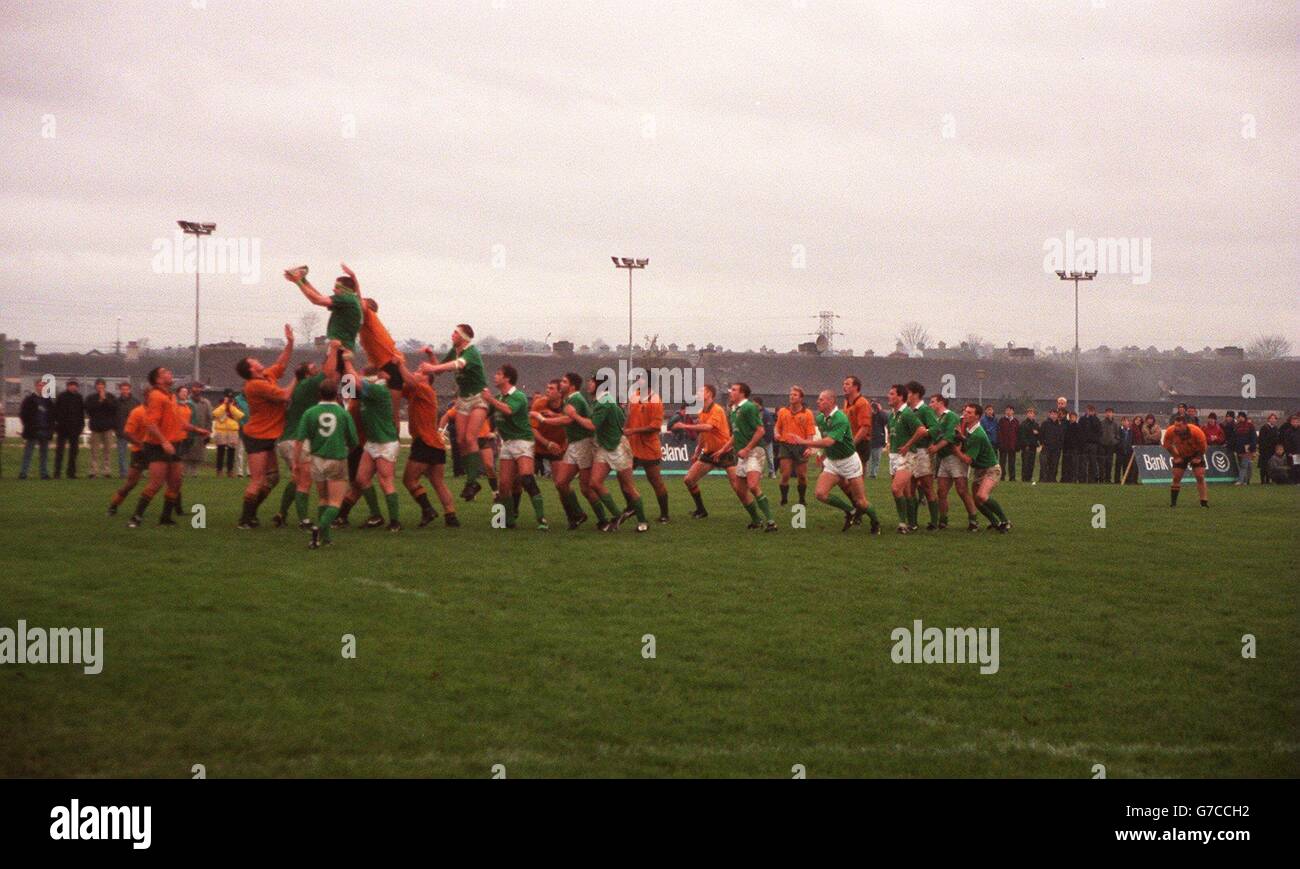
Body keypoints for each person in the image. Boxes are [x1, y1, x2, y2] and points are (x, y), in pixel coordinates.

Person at [127, 366, 210, 527]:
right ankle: (135, 518)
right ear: (158, 380)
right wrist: (164, 441)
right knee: (156, 483)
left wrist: (196, 429)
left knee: (176, 482)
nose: (170, 373)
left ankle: (165, 518)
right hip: (158, 445)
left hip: (173, 444)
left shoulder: (171, 396)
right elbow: (150, 423)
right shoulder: (156, 396)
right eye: (165, 372)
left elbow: (178, 421)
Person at [790, 388, 881, 533]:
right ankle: (850, 511)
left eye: (821, 399)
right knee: (820, 494)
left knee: (861, 501)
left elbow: (829, 441)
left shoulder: (840, 418)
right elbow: (824, 439)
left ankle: (875, 522)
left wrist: (803, 442)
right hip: (833, 462)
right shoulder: (820, 418)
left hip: (849, 461)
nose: (817, 402)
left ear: (831, 402)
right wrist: (822, 454)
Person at [234, 324, 295, 529]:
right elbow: (285, 395)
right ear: (251, 369)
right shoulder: (255, 385)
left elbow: (281, 364)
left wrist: (290, 343)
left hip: (268, 435)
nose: (259, 362)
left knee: (273, 478)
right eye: (255, 362)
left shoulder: (266, 376)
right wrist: (298, 377)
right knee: (258, 480)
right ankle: (245, 520)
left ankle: (251, 514)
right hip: (257, 436)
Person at [420, 325, 491, 500]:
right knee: (460, 440)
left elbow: (458, 364)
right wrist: (431, 356)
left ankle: (472, 481)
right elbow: (441, 369)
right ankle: (472, 480)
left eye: (456, 333)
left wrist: (431, 368)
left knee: (469, 438)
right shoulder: (456, 350)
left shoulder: (471, 352)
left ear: (464, 337)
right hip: (463, 399)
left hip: (478, 397)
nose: (452, 335)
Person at [337, 354, 402, 530]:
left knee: (385, 481)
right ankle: (375, 515)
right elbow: (349, 391)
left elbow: (354, 383)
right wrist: (345, 369)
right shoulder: (370, 388)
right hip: (370, 441)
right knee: (360, 480)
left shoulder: (378, 390)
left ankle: (394, 522)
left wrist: (346, 361)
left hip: (383, 441)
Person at [294, 379, 360, 550]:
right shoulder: (343, 413)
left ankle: (325, 538)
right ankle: (319, 529)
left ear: (319, 394)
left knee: (323, 498)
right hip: (336, 458)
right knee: (336, 502)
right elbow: (354, 441)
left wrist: (296, 462)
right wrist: (347, 452)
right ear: (336, 394)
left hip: (317, 460)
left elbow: (299, 440)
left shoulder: (310, 412)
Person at [482, 364, 549, 530]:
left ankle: (541, 520)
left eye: (498, 374)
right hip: (508, 442)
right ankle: (508, 520)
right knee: (504, 485)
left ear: (507, 378)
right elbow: (484, 413)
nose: (495, 377)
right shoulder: (498, 398)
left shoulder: (518, 396)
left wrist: (490, 399)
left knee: (526, 477)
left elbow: (509, 411)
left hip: (522, 441)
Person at [531, 372, 602, 529]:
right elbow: (567, 417)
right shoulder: (569, 400)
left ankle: (604, 519)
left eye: (563, 382)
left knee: (586, 487)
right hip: (571, 445)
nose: (560, 384)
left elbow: (568, 419)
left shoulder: (575, 399)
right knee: (561, 482)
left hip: (583, 444)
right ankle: (577, 515)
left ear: (571, 386)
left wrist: (544, 419)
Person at [398, 357, 459, 528]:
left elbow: (408, 380)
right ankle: (451, 516)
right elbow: (399, 388)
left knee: (409, 480)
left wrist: (399, 363)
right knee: (437, 481)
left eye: (420, 372)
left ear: (427, 379)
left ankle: (427, 509)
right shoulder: (416, 390)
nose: (416, 373)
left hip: (425, 442)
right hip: (435, 444)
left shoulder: (424, 388)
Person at [270, 363, 326, 530]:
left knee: (297, 479)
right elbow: (329, 372)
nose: (316, 368)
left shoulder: (297, 387)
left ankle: (281, 514)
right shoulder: (307, 385)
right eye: (312, 367)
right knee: (305, 481)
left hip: (287, 439)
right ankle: (304, 521)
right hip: (297, 440)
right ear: (307, 374)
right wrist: (335, 349)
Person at [588, 384, 648, 533]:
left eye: (591, 382)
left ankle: (643, 521)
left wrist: (573, 416)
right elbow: (621, 420)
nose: (588, 384)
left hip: (618, 447)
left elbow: (592, 425)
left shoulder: (605, 402)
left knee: (628, 487)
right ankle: (617, 515)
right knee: (595, 482)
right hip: (605, 446)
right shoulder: (603, 401)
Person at [671, 384, 733, 521]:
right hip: (709, 452)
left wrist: (684, 425)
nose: (697, 392)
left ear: (709, 394)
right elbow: (703, 433)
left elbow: (708, 427)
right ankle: (701, 510)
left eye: (701, 390)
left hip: (725, 451)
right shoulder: (702, 410)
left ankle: (757, 517)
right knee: (689, 480)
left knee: (739, 488)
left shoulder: (717, 410)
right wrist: (697, 451)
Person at [285, 264, 364, 371]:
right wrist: (304, 280)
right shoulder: (351, 299)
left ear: (345, 289)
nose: (333, 289)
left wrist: (298, 282)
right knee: (341, 381)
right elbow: (320, 297)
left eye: (337, 287)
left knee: (329, 380)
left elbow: (316, 300)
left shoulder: (346, 299)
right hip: (343, 348)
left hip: (340, 348)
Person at [952, 402, 1011, 532]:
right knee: (977, 500)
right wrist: (962, 437)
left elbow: (968, 460)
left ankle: (1005, 521)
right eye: (965, 411)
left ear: (977, 417)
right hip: (980, 470)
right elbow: (968, 441)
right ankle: (995, 522)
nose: (965, 414)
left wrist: (955, 450)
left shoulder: (977, 434)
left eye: (969, 413)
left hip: (991, 469)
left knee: (982, 496)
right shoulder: (969, 428)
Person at [727, 382, 777, 531]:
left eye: (734, 390)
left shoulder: (749, 407)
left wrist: (747, 448)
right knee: (740, 490)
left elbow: (760, 431)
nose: (731, 392)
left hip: (755, 451)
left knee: (753, 485)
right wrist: (724, 448)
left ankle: (771, 522)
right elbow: (736, 434)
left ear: (742, 393)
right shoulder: (734, 410)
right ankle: (756, 520)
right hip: (743, 454)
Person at [899, 381, 940, 531]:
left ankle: (934, 522)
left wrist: (925, 435)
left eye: (907, 393)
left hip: (922, 452)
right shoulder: (908, 411)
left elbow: (936, 428)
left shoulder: (924, 410)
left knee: (928, 487)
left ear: (915, 394)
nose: (905, 396)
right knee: (909, 487)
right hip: (911, 453)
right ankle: (912, 522)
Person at [625, 386, 670, 522]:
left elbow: (655, 426)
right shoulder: (634, 396)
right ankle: (631, 507)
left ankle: (665, 515)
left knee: (655, 481)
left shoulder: (656, 400)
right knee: (623, 477)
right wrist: (625, 431)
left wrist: (633, 431)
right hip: (632, 447)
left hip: (649, 447)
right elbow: (629, 418)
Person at [926, 394, 969, 529]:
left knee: (962, 490)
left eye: (932, 402)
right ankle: (943, 520)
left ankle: (973, 518)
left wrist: (935, 448)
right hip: (943, 458)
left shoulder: (950, 416)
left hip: (954, 457)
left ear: (941, 403)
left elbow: (950, 436)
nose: (930, 404)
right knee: (941, 492)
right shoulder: (935, 418)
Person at [885, 383, 919, 533]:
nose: (888, 396)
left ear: (900, 397)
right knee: (906, 492)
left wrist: (907, 445)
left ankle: (902, 523)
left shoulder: (907, 413)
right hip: (894, 455)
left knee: (895, 488)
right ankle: (912, 523)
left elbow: (921, 430)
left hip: (907, 456)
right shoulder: (892, 414)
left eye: (892, 394)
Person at [774, 386, 815, 506]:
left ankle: (802, 499)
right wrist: (776, 433)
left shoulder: (807, 413)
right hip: (785, 445)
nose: (791, 396)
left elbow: (810, 432)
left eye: (795, 395)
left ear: (801, 398)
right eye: (790, 394)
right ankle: (784, 499)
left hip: (801, 445)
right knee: (785, 474)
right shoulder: (783, 411)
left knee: (801, 475)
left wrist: (809, 446)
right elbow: (777, 426)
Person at [107, 402, 148, 515]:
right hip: (140, 452)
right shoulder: (138, 412)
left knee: (172, 477)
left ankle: (174, 510)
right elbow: (127, 433)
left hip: (156, 450)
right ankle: (113, 506)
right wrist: (140, 444)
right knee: (132, 483)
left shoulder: (160, 411)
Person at [1163, 415, 1209, 507]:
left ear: (1185, 425)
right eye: (1175, 425)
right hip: (1181, 454)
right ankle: (1173, 504)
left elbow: (1203, 447)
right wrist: (1176, 456)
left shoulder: (1196, 431)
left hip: (1195, 453)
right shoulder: (1170, 431)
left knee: (1199, 476)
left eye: (1179, 426)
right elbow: (1167, 445)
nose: (1176, 428)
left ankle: (1203, 502)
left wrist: (1198, 457)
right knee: (1176, 476)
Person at [531, 380, 567, 480]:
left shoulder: (568, 406)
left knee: (561, 484)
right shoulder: (539, 403)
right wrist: (547, 443)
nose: (547, 391)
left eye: (551, 388)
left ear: (560, 393)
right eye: (547, 388)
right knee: (524, 479)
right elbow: (532, 428)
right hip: (538, 445)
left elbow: (572, 423)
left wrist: (564, 446)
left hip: (557, 447)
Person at [18, 382, 54, 480]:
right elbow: (23, 414)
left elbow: (52, 416)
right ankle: (23, 473)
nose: (41, 387)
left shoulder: (48, 401)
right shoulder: (29, 400)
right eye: (39, 385)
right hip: (33, 431)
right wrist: (28, 426)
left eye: (43, 386)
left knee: (44, 454)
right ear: (36, 386)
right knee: (28, 453)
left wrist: (50, 429)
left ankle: (44, 473)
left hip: (45, 430)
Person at [84, 379, 117, 478]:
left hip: (107, 428)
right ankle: (93, 471)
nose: (100, 387)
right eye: (98, 385)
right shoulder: (91, 398)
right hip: (95, 428)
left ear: (104, 386)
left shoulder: (110, 397)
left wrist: (105, 400)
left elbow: (113, 409)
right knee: (94, 451)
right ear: (95, 386)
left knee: (107, 451)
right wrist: (99, 401)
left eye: (102, 385)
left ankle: (107, 471)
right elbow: (89, 410)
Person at [52, 379, 84, 479]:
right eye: (71, 385)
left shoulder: (79, 397)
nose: (73, 387)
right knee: (60, 451)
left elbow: (81, 414)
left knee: (74, 452)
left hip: (75, 429)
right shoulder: (61, 396)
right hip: (62, 429)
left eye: (75, 385)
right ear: (67, 386)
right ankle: (57, 473)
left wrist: (81, 426)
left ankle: (71, 473)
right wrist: (57, 426)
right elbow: (55, 412)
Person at [842, 375, 873, 477]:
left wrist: (852, 443)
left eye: (847, 384)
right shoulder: (846, 402)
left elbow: (864, 427)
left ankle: (859, 492)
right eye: (843, 384)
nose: (844, 386)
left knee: (858, 473)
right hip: (848, 440)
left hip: (860, 442)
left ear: (856, 387)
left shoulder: (862, 403)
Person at [183, 384, 213, 477]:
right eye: (195, 387)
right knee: (186, 453)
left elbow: (209, 418)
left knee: (198, 454)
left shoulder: (206, 403)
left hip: (201, 432)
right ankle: (184, 472)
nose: (197, 389)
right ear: (191, 389)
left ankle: (194, 473)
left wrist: (208, 432)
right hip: (188, 432)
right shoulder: (186, 402)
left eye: (199, 387)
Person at [212, 390, 244, 478]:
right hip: (221, 430)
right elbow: (215, 413)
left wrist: (230, 406)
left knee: (231, 451)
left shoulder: (234, 406)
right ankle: (219, 470)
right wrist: (224, 405)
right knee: (220, 451)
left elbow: (240, 415)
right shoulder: (221, 404)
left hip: (232, 430)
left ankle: (230, 470)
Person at [113, 381, 139, 479]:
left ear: (130, 389)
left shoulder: (135, 402)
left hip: (134, 432)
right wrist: (116, 428)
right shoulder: (116, 402)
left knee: (137, 453)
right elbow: (113, 416)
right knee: (122, 454)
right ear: (120, 390)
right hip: (121, 432)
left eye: (126, 389)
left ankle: (137, 472)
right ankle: (123, 473)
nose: (125, 391)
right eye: (123, 389)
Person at [1038, 408, 1063, 483]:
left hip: (1056, 449)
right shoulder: (1045, 423)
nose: (1054, 416)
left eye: (1055, 414)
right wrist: (1042, 443)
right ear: (1049, 414)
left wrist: (1059, 446)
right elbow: (1041, 435)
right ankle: (1043, 479)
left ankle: (1052, 479)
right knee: (1044, 464)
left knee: (1054, 464)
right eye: (1052, 414)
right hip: (1046, 447)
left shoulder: (1059, 425)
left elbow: (1061, 436)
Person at [1079, 405, 1102, 483]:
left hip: (1093, 444)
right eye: (1089, 410)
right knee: (1083, 463)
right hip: (1084, 444)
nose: (1090, 412)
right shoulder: (1082, 419)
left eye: (1091, 411)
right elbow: (1080, 431)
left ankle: (1092, 479)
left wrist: (1092, 418)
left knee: (1093, 462)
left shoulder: (1096, 420)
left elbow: (1098, 430)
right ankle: (1082, 479)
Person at [1098, 408, 1122, 483]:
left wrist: (1114, 441)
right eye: (1107, 412)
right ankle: (1102, 479)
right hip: (1102, 445)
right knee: (1102, 463)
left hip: (1111, 446)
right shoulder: (1101, 423)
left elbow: (1118, 435)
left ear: (1112, 413)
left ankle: (1108, 479)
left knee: (1109, 463)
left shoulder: (1115, 424)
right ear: (1105, 413)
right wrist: (1101, 441)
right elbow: (1099, 434)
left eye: (1110, 412)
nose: (1108, 414)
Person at [996, 405, 1018, 482]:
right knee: (1002, 463)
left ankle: (1012, 477)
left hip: (1012, 445)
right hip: (1003, 445)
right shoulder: (1001, 421)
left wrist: (1016, 445)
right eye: (1007, 410)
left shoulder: (1015, 421)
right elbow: (999, 433)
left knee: (1012, 463)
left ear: (1013, 411)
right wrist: (1000, 443)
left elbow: (1017, 434)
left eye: (1010, 410)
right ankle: (1002, 477)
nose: (1008, 412)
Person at [1257, 413, 1281, 484]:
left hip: (1272, 450)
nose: (1273, 420)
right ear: (1268, 419)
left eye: (1274, 418)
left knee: (1270, 466)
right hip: (1265, 450)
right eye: (1271, 418)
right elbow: (1261, 440)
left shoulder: (1276, 428)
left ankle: (1268, 479)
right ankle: (1262, 480)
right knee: (1263, 466)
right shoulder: (1264, 428)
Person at [1234, 412, 1257, 485]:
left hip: (1247, 448)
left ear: (1244, 417)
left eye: (1241, 416)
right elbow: (1235, 438)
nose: (1240, 418)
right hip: (1239, 449)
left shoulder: (1250, 426)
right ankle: (1246, 480)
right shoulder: (1237, 426)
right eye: (1239, 417)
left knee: (1244, 465)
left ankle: (1240, 481)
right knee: (1244, 464)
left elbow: (1254, 437)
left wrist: (1252, 447)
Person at [1018, 407, 1039, 484]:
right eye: (1029, 413)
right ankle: (1024, 478)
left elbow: (1038, 435)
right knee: (1025, 463)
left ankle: (1029, 477)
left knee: (1031, 463)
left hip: (1033, 446)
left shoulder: (1036, 424)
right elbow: (1022, 435)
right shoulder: (1023, 424)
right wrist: (1026, 444)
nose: (1030, 414)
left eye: (1032, 413)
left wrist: (1037, 434)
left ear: (1034, 414)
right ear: (1027, 414)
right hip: (1026, 447)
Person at [1061, 410, 1082, 483]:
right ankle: (1066, 478)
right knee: (1066, 464)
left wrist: (1076, 446)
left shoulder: (1078, 427)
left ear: (1076, 418)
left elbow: (1079, 438)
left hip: (1074, 449)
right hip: (1066, 448)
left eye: (1074, 417)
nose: (1072, 418)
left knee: (1074, 464)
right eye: (1071, 417)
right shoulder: (1066, 426)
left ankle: (1074, 479)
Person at [869, 400, 887, 478]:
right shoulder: (869, 416)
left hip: (878, 440)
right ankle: (864, 473)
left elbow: (886, 420)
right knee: (867, 459)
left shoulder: (881, 415)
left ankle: (873, 474)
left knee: (876, 459)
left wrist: (880, 411)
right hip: (869, 439)